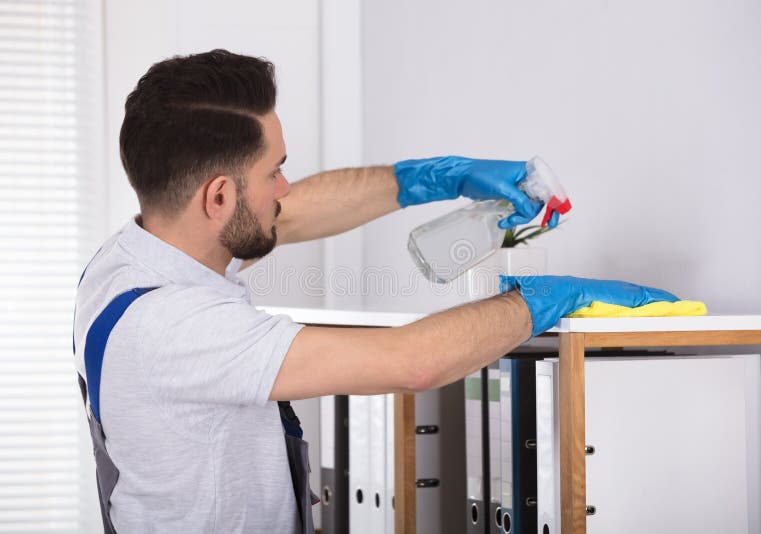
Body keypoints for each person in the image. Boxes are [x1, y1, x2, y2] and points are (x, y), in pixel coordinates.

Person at [72, 49, 677, 534]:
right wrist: (548, 298)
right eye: (274, 171)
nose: (285, 187)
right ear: (219, 198)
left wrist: (437, 178)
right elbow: (407, 363)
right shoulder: (174, 325)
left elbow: (295, 213)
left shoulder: (134, 258)